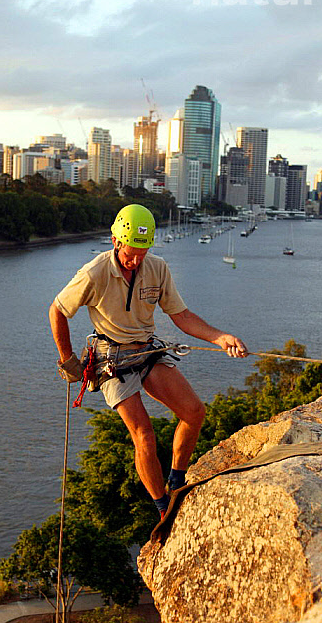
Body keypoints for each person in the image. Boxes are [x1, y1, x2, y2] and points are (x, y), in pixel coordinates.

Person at [49, 204, 248, 518]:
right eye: (131, 252)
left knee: (194, 412)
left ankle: (177, 479)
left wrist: (219, 337)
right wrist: (67, 360)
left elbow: (180, 315)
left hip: (146, 351)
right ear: (116, 241)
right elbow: (58, 309)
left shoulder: (157, 268)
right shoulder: (94, 272)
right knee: (144, 434)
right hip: (111, 360)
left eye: (143, 252)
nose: (137, 260)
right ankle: (162, 508)